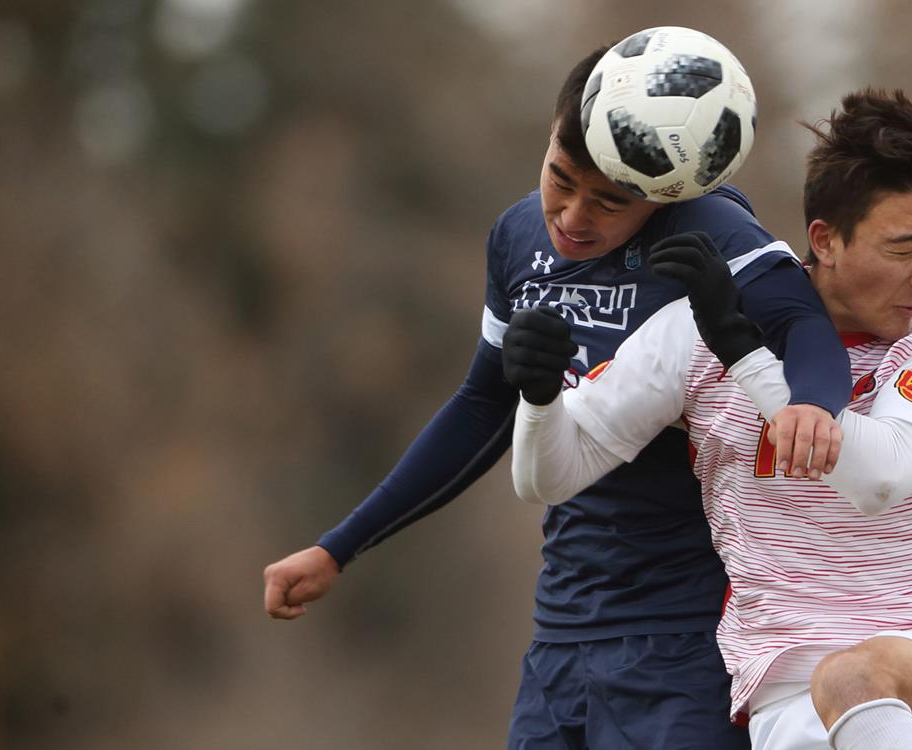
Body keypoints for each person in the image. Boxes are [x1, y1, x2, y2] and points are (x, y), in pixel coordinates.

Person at [260, 41, 855, 749]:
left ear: (662, 190)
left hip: (689, 637)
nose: (572, 216)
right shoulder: (517, 238)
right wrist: (339, 547)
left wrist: (813, 406)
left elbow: (808, 329)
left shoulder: (710, 232)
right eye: (559, 178)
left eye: (608, 201)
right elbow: (483, 409)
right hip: (562, 635)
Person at [505, 89, 912, 749]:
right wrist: (537, 397)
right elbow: (548, 476)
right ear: (825, 241)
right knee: (837, 687)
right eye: (903, 248)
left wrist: (749, 358)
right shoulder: (693, 333)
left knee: (852, 682)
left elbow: (881, 478)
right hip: (783, 687)